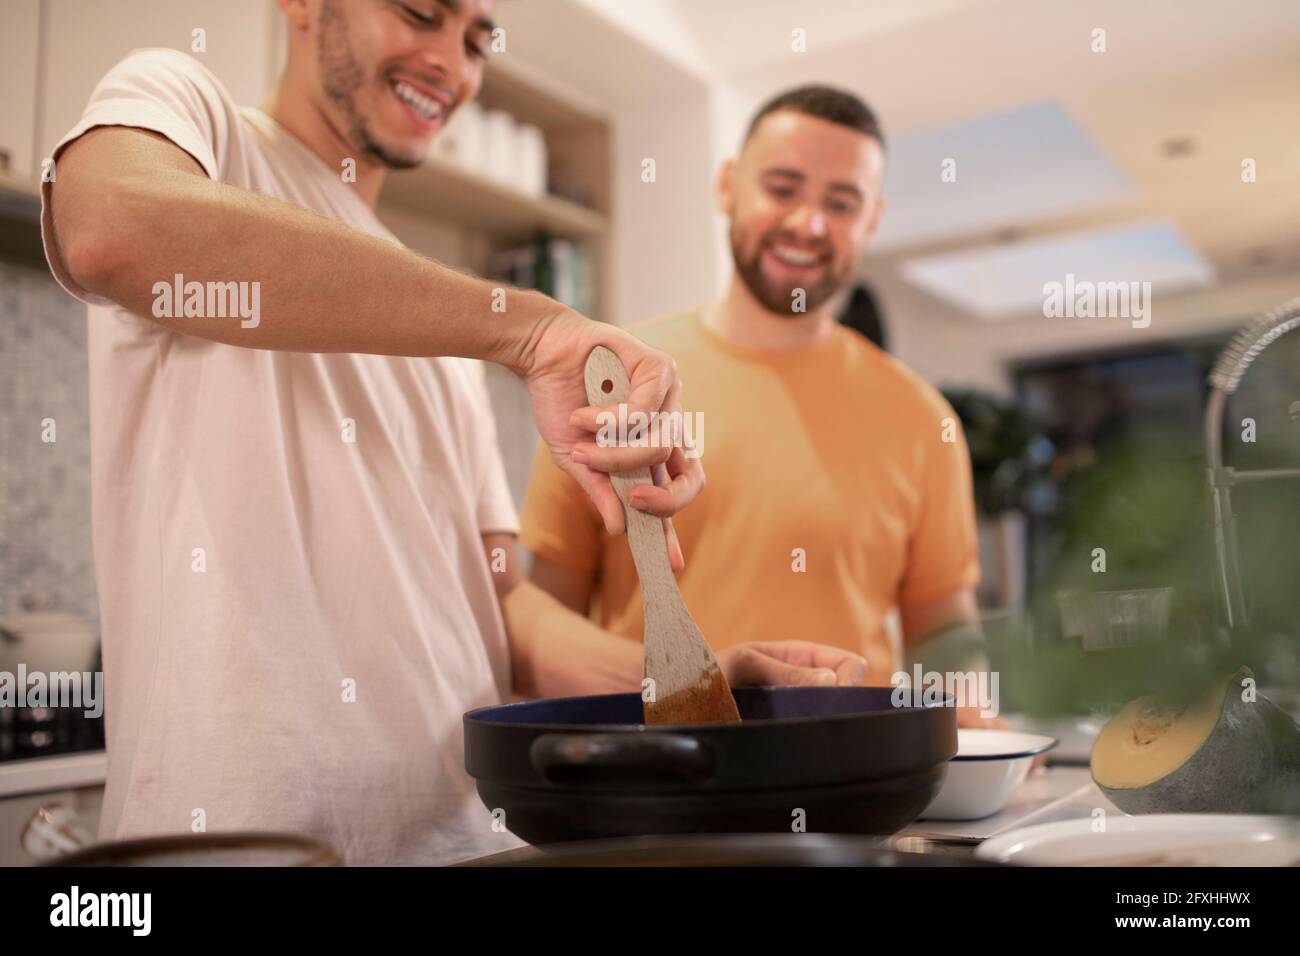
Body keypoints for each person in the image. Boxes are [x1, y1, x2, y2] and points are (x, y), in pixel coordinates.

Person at [41, 1, 870, 865]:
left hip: (462, 842)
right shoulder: (194, 116)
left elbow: (499, 603)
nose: (452, 62)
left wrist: (684, 679)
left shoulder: (443, 327)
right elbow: (110, 227)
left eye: (477, 40)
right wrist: (532, 329)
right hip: (239, 841)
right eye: (421, 12)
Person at [523, 85, 1000, 728]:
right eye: (782, 188)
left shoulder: (923, 418)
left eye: (841, 202)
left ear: (872, 220)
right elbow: (538, 613)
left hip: (851, 787)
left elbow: (944, 627)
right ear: (727, 186)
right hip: (657, 778)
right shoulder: (616, 378)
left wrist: (980, 734)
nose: (808, 223)